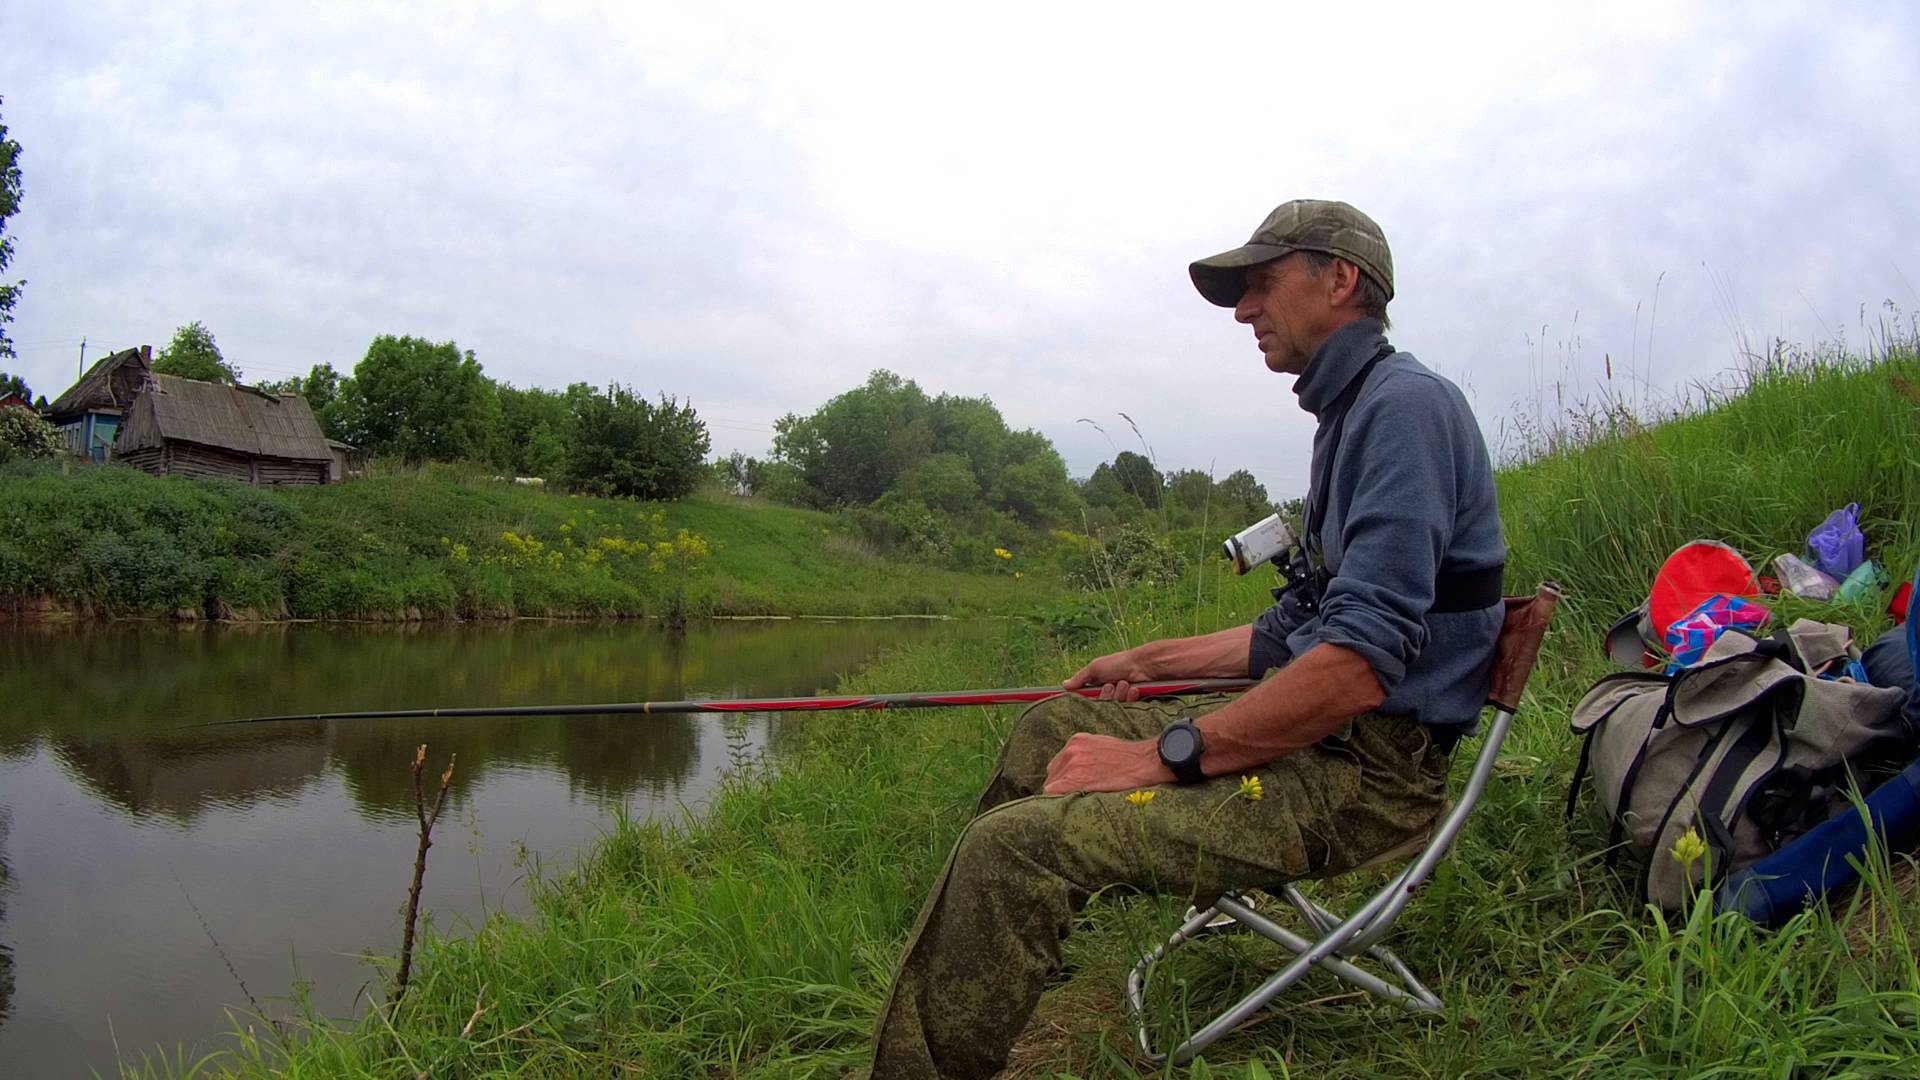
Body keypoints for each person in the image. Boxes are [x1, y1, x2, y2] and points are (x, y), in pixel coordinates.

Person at [869, 199, 1507, 1078]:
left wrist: (1162, 758)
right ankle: (1006, 956)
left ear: (1342, 280)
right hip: (1328, 741)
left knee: (1010, 850)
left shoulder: (1404, 411)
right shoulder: (1350, 416)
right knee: (1054, 723)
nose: (1245, 309)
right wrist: (1145, 663)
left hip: (1365, 778)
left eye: (1262, 283)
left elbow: (1356, 666)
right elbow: (1294, 631)